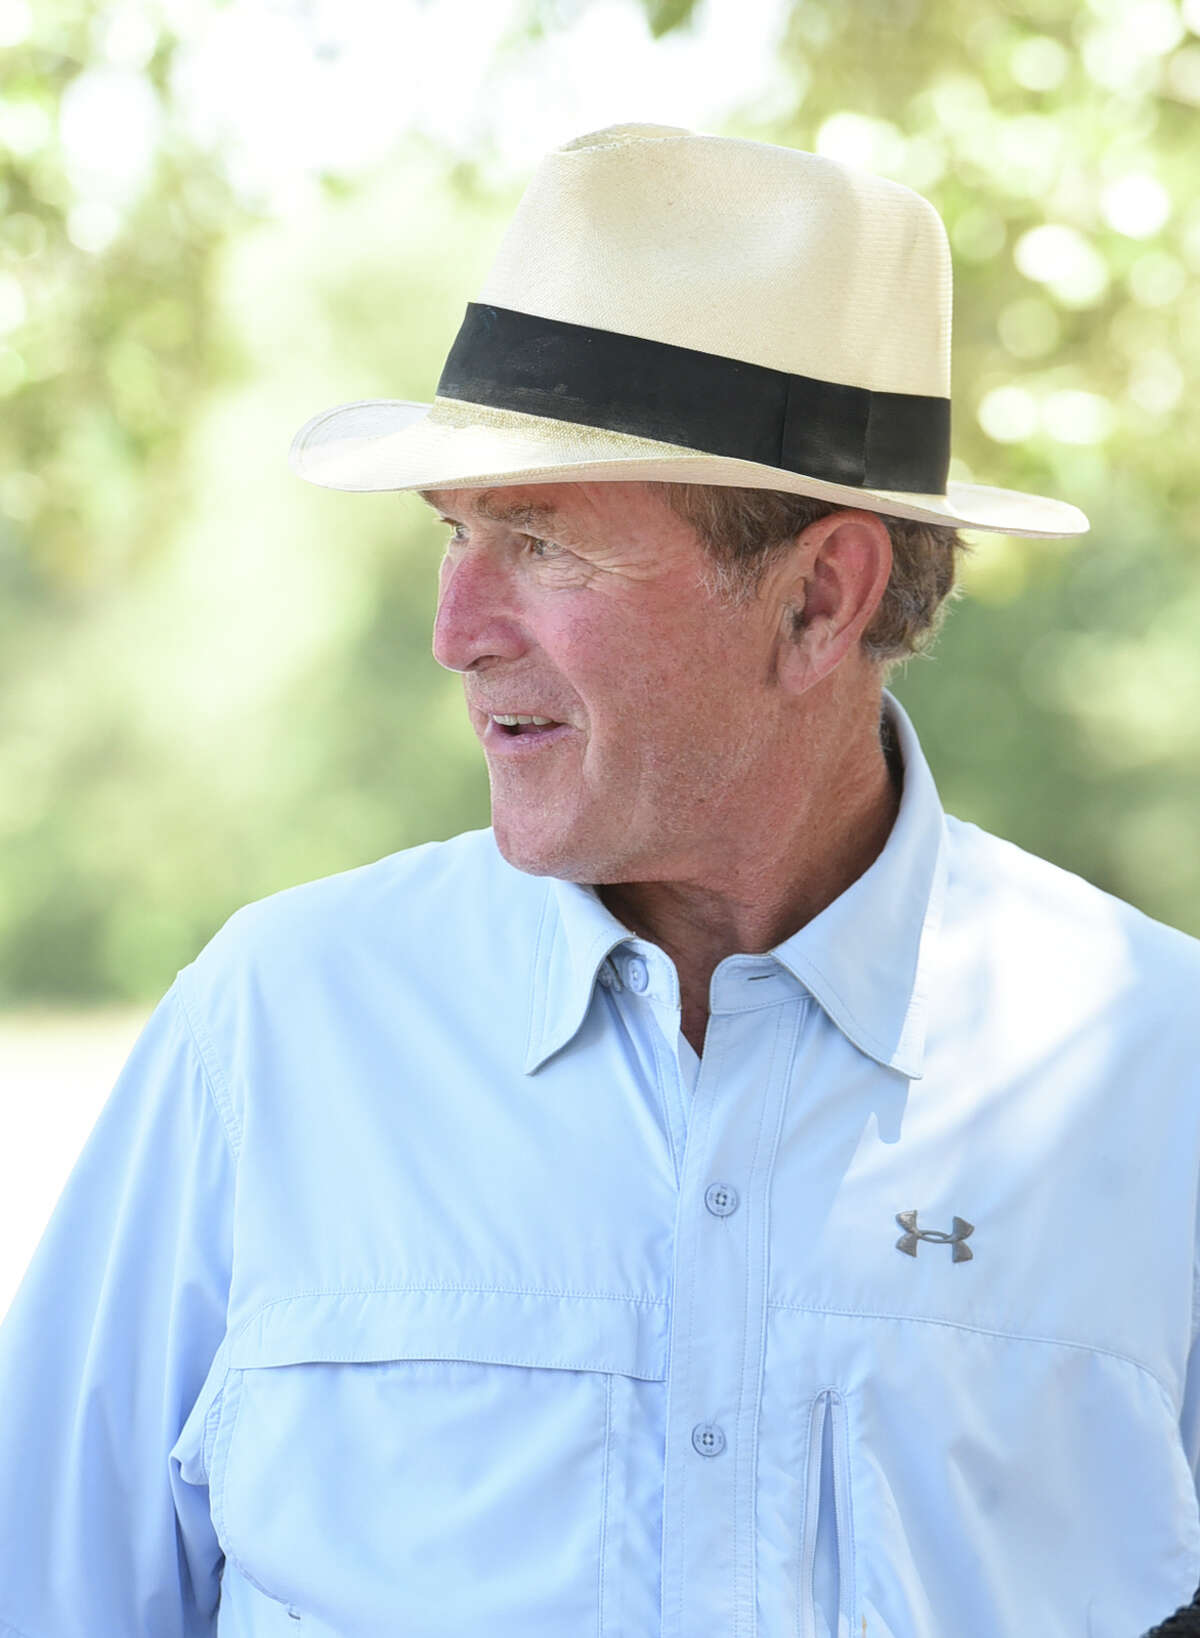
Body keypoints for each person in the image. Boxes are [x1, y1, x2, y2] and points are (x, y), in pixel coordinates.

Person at [0, 122, 1197, 1638]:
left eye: (542, 545)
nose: (456, 631)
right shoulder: (274, 1028)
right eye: (456, 535)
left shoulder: (1161, 1071)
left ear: (821, 598)